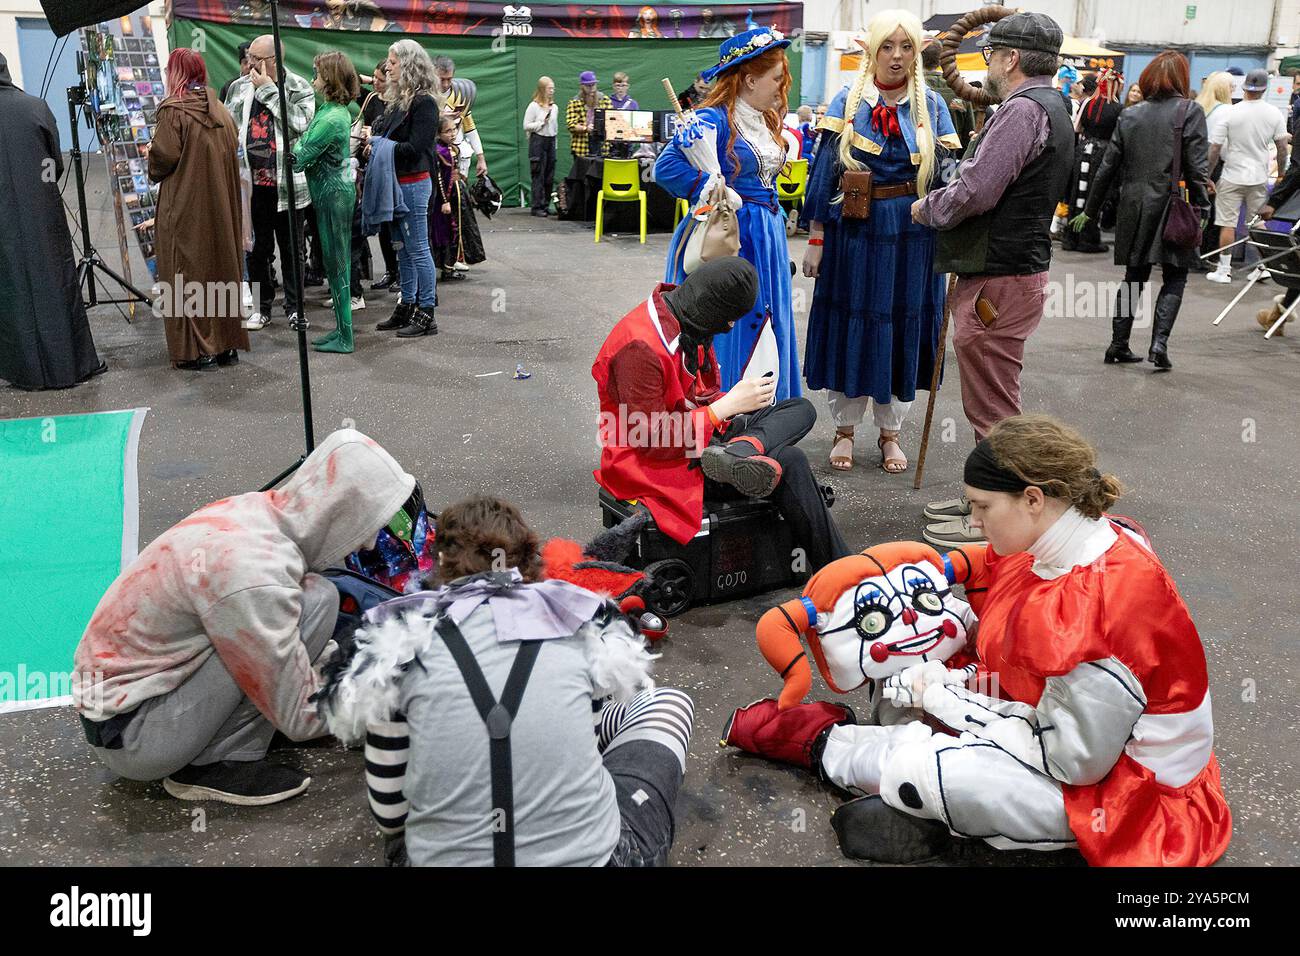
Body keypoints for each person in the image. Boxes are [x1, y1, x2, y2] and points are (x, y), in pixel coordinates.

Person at [724, 414, 1233, 867]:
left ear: (1033, 499)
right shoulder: (1071, 537)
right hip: (1067, 728)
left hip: (1130, 792)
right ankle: (914, 794)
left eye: (982, 507)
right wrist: (951, 680)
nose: (972, 522)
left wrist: (948, 696)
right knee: (915, 665)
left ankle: (829, 749)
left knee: (939, 769)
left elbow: (1072, 762)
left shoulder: (1097, 604)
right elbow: (1014, 654)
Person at [317, 495, 695, 867]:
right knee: (669, 704)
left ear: (441, 567)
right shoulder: (579, 626)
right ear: (530, 562)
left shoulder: (396, 651)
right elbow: (588, 751)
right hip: (596, 859)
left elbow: (391, 817)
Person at [72, 429, 416, 806]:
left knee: (318, 595)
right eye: (368, 525)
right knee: (273, 642)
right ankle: (213, 763)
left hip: (137, 702)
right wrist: (389, 697)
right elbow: (300, 719)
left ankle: (227, 731)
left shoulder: (255, 512)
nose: (369, 543)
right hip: (135, 736)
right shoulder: (253, 575)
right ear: (339, 512)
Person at [909, 11, 1074, 549]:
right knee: (992, 398)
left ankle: (1002, 513)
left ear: (1009, 59)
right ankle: (989, 496)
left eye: (991, 56)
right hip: (1012, 271)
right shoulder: (1054, 105)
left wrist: (927, 208)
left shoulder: (1023, 112)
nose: (989, 67)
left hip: (1001, 276)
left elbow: (977, 190)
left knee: (994, 406)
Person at [593, 258, 849, 574]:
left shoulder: (687, 317)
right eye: (728, 321)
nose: (728, 328)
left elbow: (701, 395)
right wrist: (721, 410)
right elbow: (647, 439)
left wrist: (733, 404)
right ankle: (843, 575)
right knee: (791, 460)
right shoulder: (640, 347)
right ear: (712, 308)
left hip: (704, 441)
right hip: (654, 463)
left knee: (801, 409)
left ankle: (741, 450)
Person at [802, 10, 960, 475]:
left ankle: (891, 434)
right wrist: (816, 238)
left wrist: (954, 232)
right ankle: (845, 430)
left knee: (900, 329)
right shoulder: (846, 103)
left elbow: (950, 180)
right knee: (854, 323)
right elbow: (823, 176)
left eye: (906, 46)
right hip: (855, 232)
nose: (896, 56)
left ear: (917, 52)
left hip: (915, 235)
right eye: (887, 46)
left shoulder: (933, 106)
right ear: (870, 49)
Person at [655, 27, 802, 400]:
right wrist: (710, 187)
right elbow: (665, 167)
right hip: (732, 236)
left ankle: (767, 411)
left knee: (767, 318)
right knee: (733, 322)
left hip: (767, 235)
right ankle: (725, 414)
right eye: (776, 78)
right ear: (750, 79)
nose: (782, 86)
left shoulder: (764, 118)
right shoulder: (713, 120)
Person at [1072, 52, 1209, 371]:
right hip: (1172, 204)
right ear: (1181, 79)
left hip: (1132, 205)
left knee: (1133, 276)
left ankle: (1117, 344)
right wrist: (1201, 205)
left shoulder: (1130, 115)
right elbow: (1198, 168)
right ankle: (1158, 344)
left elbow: (1107, 168)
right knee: (1175, 276)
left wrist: (1089, 211)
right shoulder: (1191, 111)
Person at [0, 53, 105, 390]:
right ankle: (69, 364)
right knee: (54, 283)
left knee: (11, 289)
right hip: (42, 211)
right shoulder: (35, 107)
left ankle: (21, 370)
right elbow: (54, 164)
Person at [148, 49, 249, 372]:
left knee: (184, 271)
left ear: (175, 73)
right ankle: (225, 346)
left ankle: (197, 350)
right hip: (220, 209)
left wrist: (151, 152)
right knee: (220, 268)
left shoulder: (173, 112)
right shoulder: (220, 111)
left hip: (184, 207)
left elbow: (163, 156)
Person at [225, 33, 314, 332]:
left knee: (292, 250)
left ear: (273, 61)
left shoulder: (298, 87)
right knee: (257, 250)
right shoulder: (237, 88)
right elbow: (228, 128)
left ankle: (294, 308)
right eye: (249, 57)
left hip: (288, 186)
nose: (250, 64)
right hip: (252, 188)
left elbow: (300, 125)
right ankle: (261, 309)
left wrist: (269, 92)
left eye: (256, 59)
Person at [367, 39, 440, 338]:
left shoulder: (424, 103)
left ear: (408, 65)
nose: (387, 66)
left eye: (393, 62)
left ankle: (426, 312)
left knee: (418, 249)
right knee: (403, 250)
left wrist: (380, 145)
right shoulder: (399, 101)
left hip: (413, 185)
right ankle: (407, 304)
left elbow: (416, 147)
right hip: (397, 185)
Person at [295, 52, 360, 354]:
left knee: (339, 265)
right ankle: (340, 331)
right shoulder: (332, 110)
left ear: (330, 79)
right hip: (330, 192)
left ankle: (345, 337)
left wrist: (300, 142)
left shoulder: (332, 117)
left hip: (334, 195)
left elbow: (300, 155)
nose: (313, 79)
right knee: (335, 264)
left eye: (318, 74)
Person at [1205, 69, 1289, 284]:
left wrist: (1206, 175)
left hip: (1232, 174)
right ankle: (1263, 267)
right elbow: (1281, 147)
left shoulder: (1230, 112)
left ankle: (1224, 270)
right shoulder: (1273, 113)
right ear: (1264, 88)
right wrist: (1281, 174)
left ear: (1244, 88)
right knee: (1258, 223)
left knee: (1227, 223)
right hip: (1259, 177)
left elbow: (1215, 148)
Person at [1060, 68, 1121, 254]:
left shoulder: (1088, 103)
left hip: (1083, 151)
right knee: (1095, 197)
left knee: (1076, 194)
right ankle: (1088, 239)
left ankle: (1070, 238)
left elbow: (1077, 128)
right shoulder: (1119, 108)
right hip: (1103, 155)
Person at [362, 59, 399, 292]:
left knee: (397, 223)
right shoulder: (370, 99)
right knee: (384, 226)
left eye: (380, 79)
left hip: (394, 169)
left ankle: (403, 275)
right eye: (373, 78)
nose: (375, 82)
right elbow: (351, 81)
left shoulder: (399, 106)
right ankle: (390, 271)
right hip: (373, 164)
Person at [1195, 72, 1235, 270]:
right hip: (1214, 164)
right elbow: (1223, 146)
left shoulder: (1199, 105)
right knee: (1211, 212)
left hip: (1194, 162)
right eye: (1232, 86)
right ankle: (1206, 254)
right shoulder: (1228, 110)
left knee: (1193, 207)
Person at [922, 36, 973, 148]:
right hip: (952, 160)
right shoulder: (960, 89)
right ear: (940, 58)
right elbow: (969, 138)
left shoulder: (909, 89)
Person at [523, 75, 558, 217]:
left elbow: (555, 127)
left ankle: (545, 204)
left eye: (553, 88)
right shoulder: (534, 106)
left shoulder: (554, 107)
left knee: (549, 175)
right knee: (538, 174)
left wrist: (555, 144)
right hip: (538, 141)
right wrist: (540, 123)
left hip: (550, 140)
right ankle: (536, 206)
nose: (552, 91)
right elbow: (526, 125)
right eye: (549, 88)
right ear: (542, 89)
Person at [430, 115, 459, 279]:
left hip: (450, 198)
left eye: (454, 129)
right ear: (439, 133)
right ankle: (443, 268)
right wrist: (445, 201)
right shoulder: (439, 152)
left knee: (450, 231)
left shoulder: (450, 149)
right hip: (441, 202)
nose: (452, 134)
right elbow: (439, 178)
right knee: (441, 233)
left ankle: (449, 266)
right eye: (448, 131)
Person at [567, 70, 611, 161]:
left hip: (602, 146)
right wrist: (586, 128)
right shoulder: (575, 102)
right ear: (582, 86)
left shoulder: (605, 100)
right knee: (582, 174)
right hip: (582, 147)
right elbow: (571, 125)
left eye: (593, 85)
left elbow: (612, 120)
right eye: (588, 86)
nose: (591, 88)